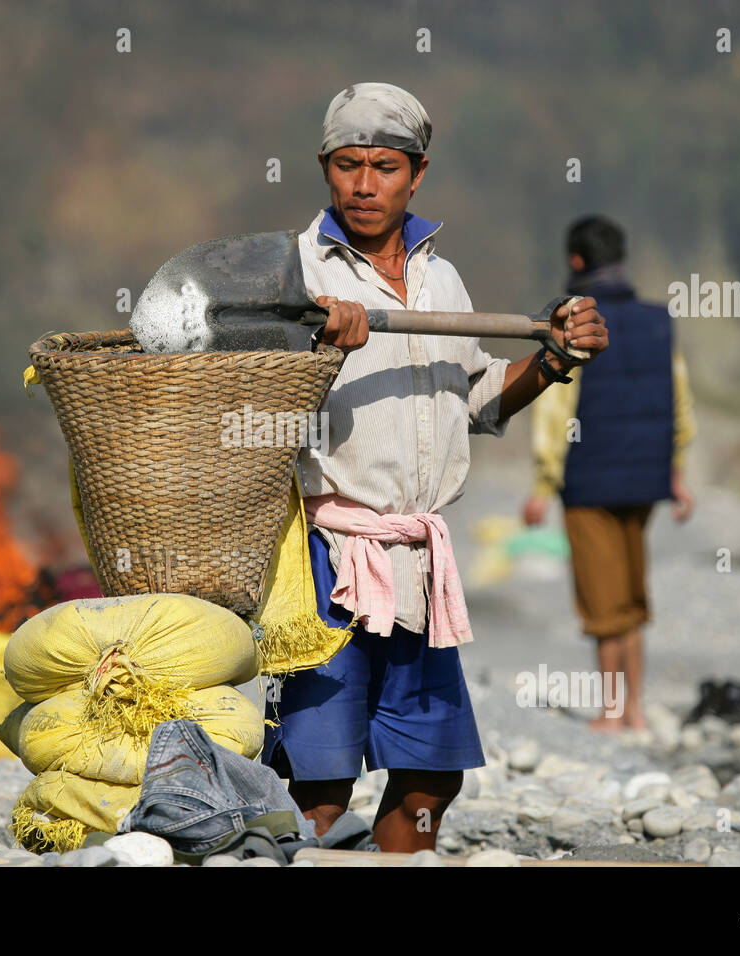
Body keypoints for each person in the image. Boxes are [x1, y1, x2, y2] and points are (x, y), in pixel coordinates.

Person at [260, 82, 609, 852]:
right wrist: (317, 352)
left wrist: (553, 358)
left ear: (416, 174)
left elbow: (479, 396)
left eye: (383, 167)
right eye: (347, 165)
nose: (363, 185)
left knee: (431, 773)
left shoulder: (439, 279)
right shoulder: (294, 278)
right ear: (324, 168)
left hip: (419, 561)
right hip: (329, 558)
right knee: (319, 778)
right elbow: (256, 412)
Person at [522, 215, 696, 732]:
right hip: (645, 478)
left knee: (603, 600)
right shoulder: (657, 321)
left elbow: (556, 408)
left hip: (591, 480)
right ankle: (635, 708)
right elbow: (679, 402)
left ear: (576, 260)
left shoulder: (577, 322)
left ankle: (614, 711)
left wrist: (541, 485)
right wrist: (677, 474)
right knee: (631, 591)